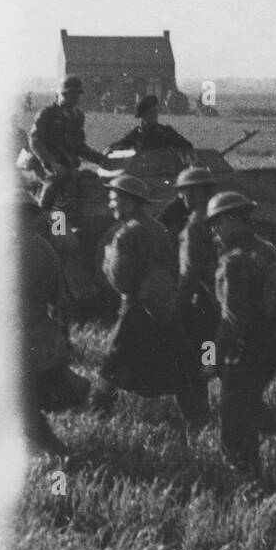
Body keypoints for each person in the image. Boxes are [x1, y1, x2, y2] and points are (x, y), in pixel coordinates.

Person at [90, 175, 209, 430]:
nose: (111, 205)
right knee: (180, 367)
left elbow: (120, 280)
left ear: (130, 203)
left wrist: (108, 264)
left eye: (115, 199)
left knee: (112, 364)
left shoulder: (126, 233)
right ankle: (198, 421)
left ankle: (96, 416)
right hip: (164, 307)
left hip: (135, 310)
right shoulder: (158, 228)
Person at [208, 191, 276, 474]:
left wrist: (213, 359)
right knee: (249, 400)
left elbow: (232, 318)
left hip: (245, 347)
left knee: (232, 414)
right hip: (271, 343)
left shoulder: (233, 261)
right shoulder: (268, 248)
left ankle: (243, 475)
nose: (215, 231)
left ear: (232, 220)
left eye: (217, 223)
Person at [12, 190, 83, 456]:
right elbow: (62, 301)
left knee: (21, 398)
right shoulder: (46, 248)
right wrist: (64, 336)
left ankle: (52, 449)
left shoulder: (9, 251)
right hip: (42, 333)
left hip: (16, 335)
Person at [29, 76, 113, 211]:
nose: (74, 98)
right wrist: (52, 163)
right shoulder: (47, 114)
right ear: (60, 94)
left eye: (77, 94)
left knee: (88, 181)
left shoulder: (78, 116)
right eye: (69, 94)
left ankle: (71, 224)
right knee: (54, 182)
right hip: (44, 164)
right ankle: (40, 215)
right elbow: (35, 141)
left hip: (67, 165)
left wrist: (101, 159)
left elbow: (79, 146)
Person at [173, 165, 221, 368]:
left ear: (196, 192)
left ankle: (207, 377)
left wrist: (177, 308)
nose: (182, 196)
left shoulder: (194, 226)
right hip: (221, 294)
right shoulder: (219, 219)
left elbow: (190, 272)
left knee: (201, 353)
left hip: (204, 299)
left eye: (185, 191)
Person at [108, 94, 195, 152]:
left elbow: (187, 146)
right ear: (143, 116)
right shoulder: (136, 134)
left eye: (155, 112)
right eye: (151, 113)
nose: (154, 115)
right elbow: (116, 146)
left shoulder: (166, 132)